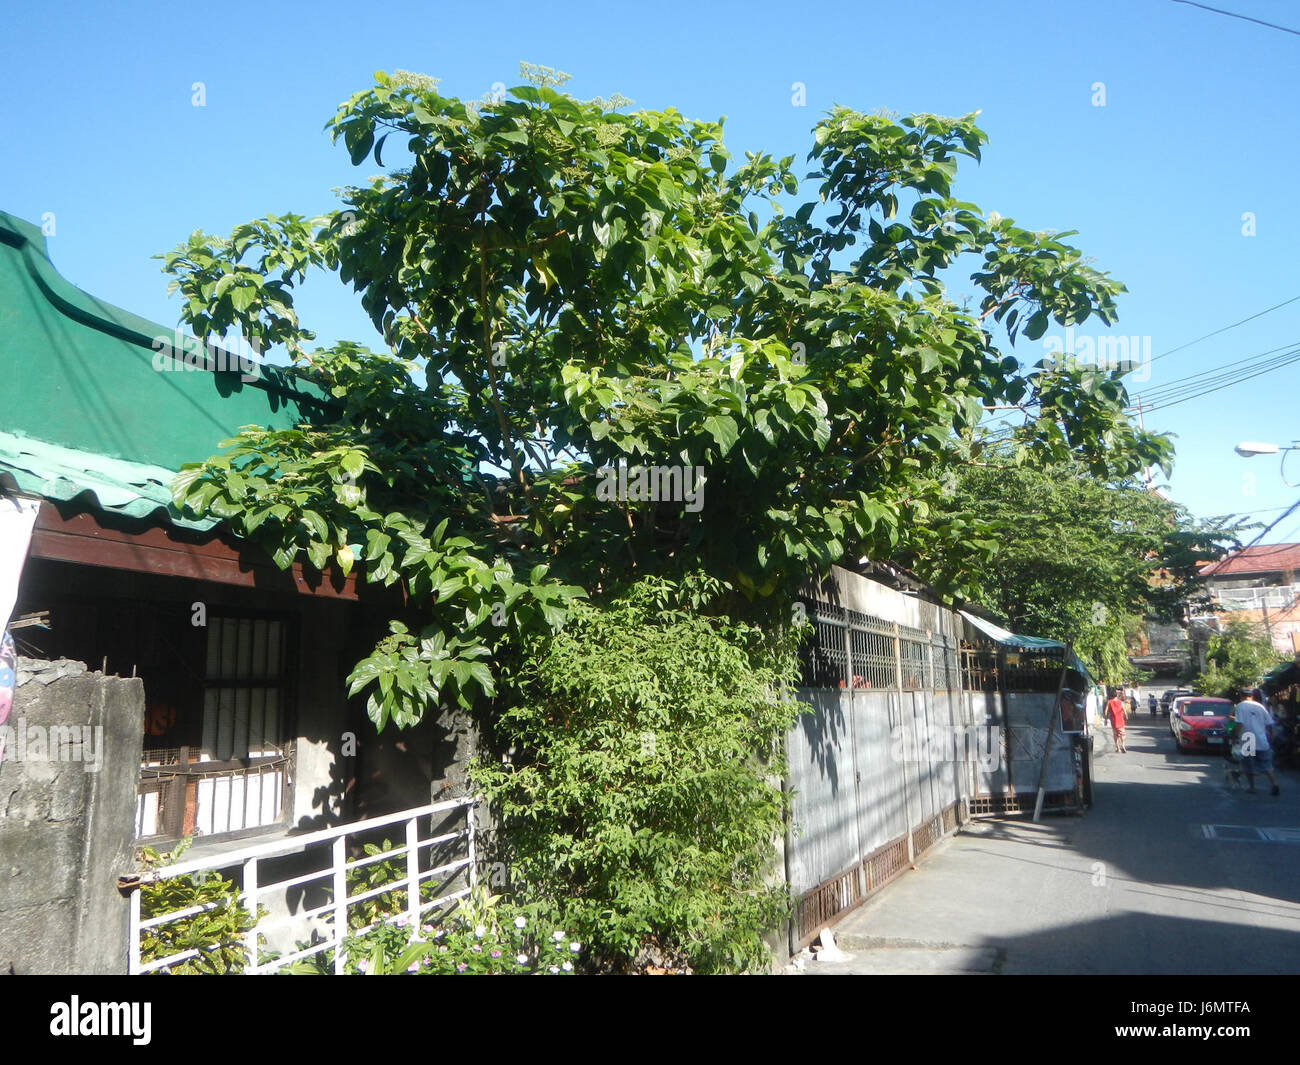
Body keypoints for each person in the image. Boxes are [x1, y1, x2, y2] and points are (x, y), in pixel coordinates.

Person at [1233, 692, 1280, 796]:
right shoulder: (1260, 706)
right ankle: (1274, 785)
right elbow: (1269, 724)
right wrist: (1270, 737)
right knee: (1267, 765)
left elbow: (1239, 723)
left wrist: (1234, 735)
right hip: (1261, 739)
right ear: (1251, 696)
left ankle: (1252, 787)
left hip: (1247, 738)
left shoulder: (1240, 706)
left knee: (1248, 765)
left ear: (1241, 697)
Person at [1106, 688, 1128, 753]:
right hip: (1120, 720)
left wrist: (1106, 718)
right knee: (1122, 733)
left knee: (1115, 734)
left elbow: (1106, 711)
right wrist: (1126, 717)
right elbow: (1124, 711)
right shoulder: (1121, 702)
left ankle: (1117, 748)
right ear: (1116, 695)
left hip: (1113, 720)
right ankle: (1123, 745)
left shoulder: (1109, 702)